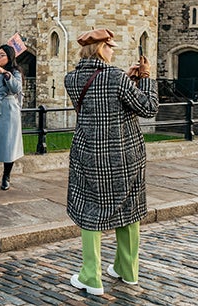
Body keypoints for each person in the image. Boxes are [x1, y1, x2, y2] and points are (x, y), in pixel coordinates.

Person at [64, 28, 158, 296]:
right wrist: (146, 78)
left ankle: (91, 277)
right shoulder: (115, 78)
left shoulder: (71, 79)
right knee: (129, 208)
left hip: (89, 154)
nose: (113, 50)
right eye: (111, 47)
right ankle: (128, 271)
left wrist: (128, 79)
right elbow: (148, 108)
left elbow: (100, 99)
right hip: (125, 155)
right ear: (101, 48)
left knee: (90, 210)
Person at [0, 44, 24, 191]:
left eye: (2, 55)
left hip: (8, 109)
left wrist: (6, 75)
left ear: (9, 57)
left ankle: (6, 176)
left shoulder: (14, 72)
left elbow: (17, 89)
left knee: (8, 143)